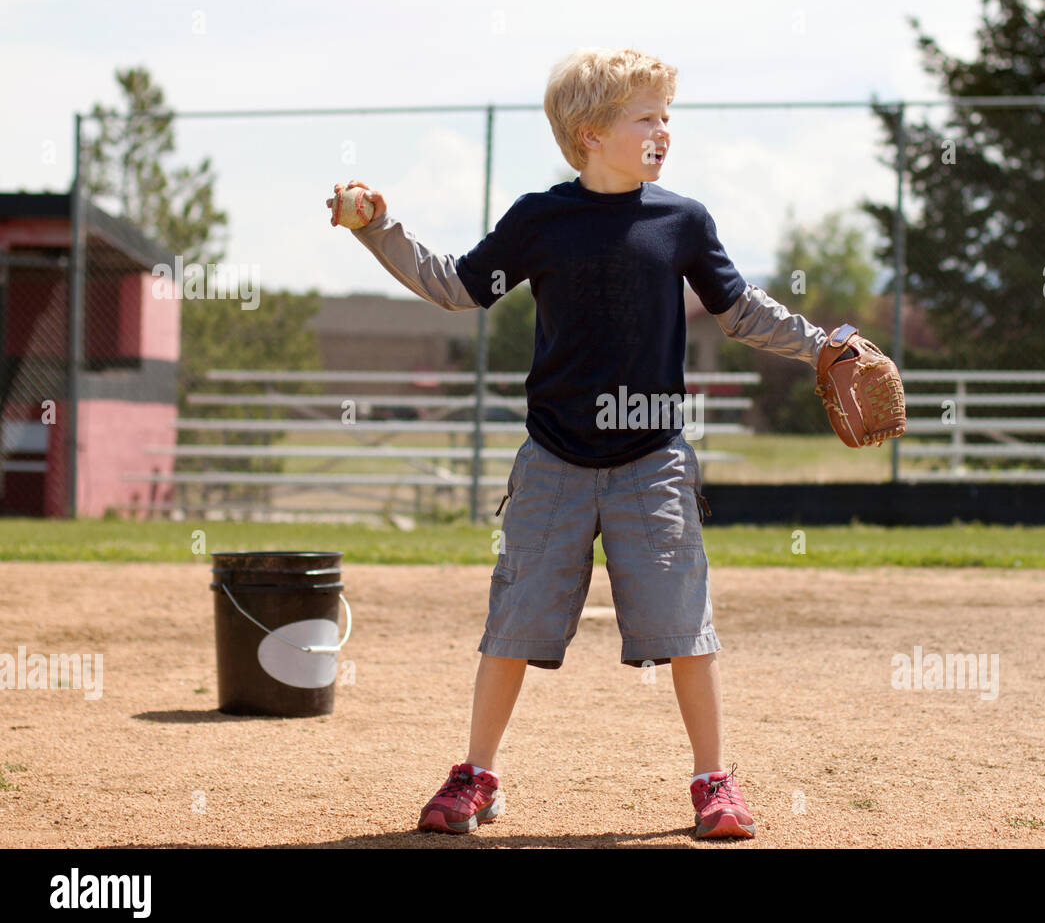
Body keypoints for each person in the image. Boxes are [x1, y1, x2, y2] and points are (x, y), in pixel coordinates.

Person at [331, 46, 842, 840]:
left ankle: (714, 781)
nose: (663, 131)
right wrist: (378, 228)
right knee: (513, 624)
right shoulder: (542, 220)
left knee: (685, 627)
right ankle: (477, 776)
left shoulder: (681, 221)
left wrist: (823, 344)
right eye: (646, 117)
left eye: (667, 117)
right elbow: (456, 286)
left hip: (654, 464)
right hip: (554, 459)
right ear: (589, 132)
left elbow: (739, 310)